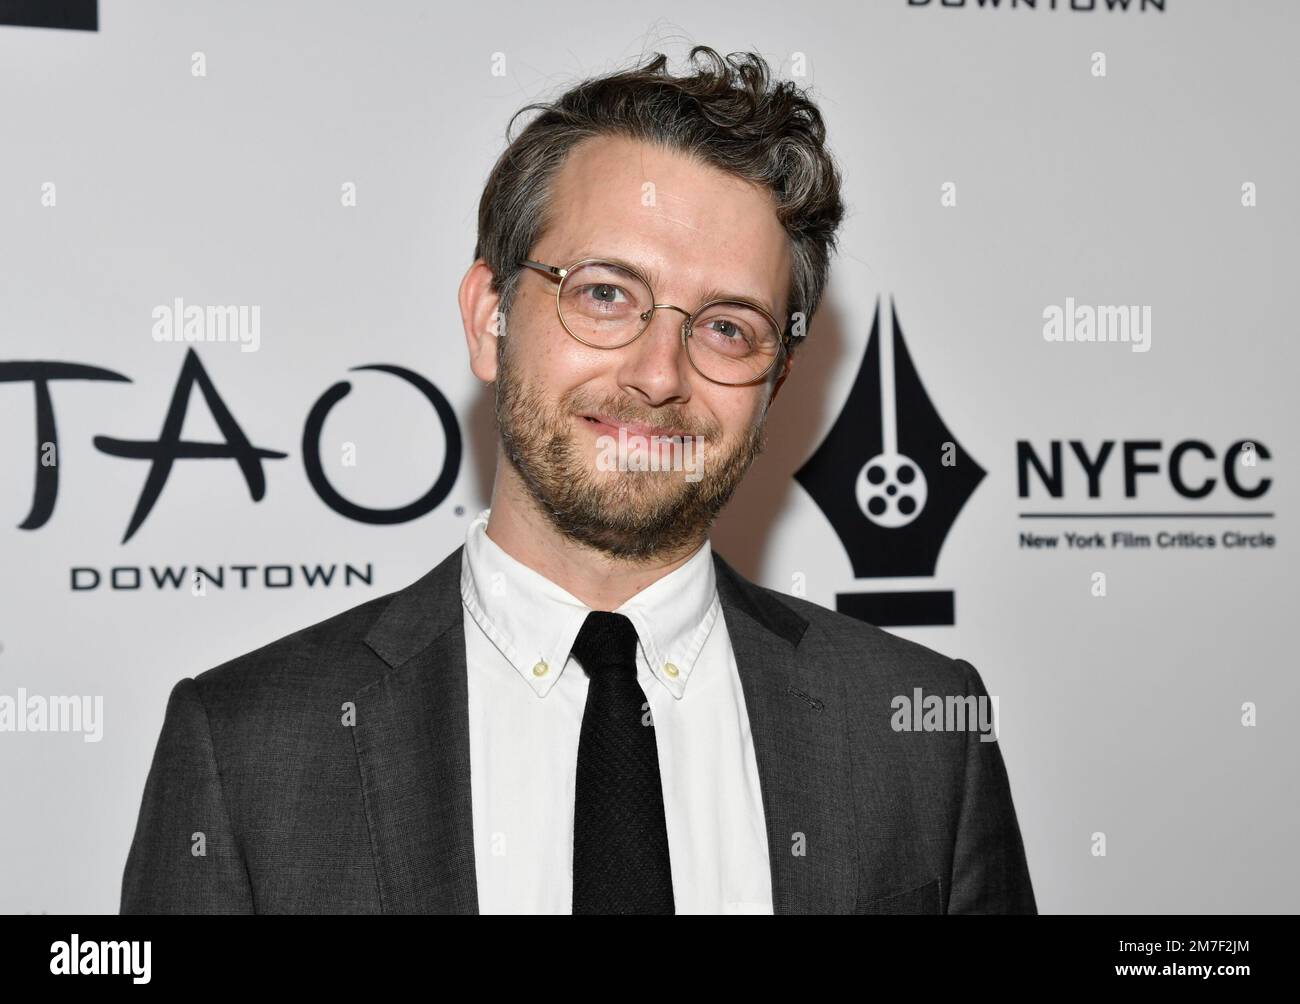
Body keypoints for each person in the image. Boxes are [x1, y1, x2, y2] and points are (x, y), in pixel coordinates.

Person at [121, 45, 1035, 915]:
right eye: (605, 293)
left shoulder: (919, 736)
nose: (658, 372)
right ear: (490, 318)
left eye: (726, 326)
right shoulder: (250, 745)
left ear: (776, 382)